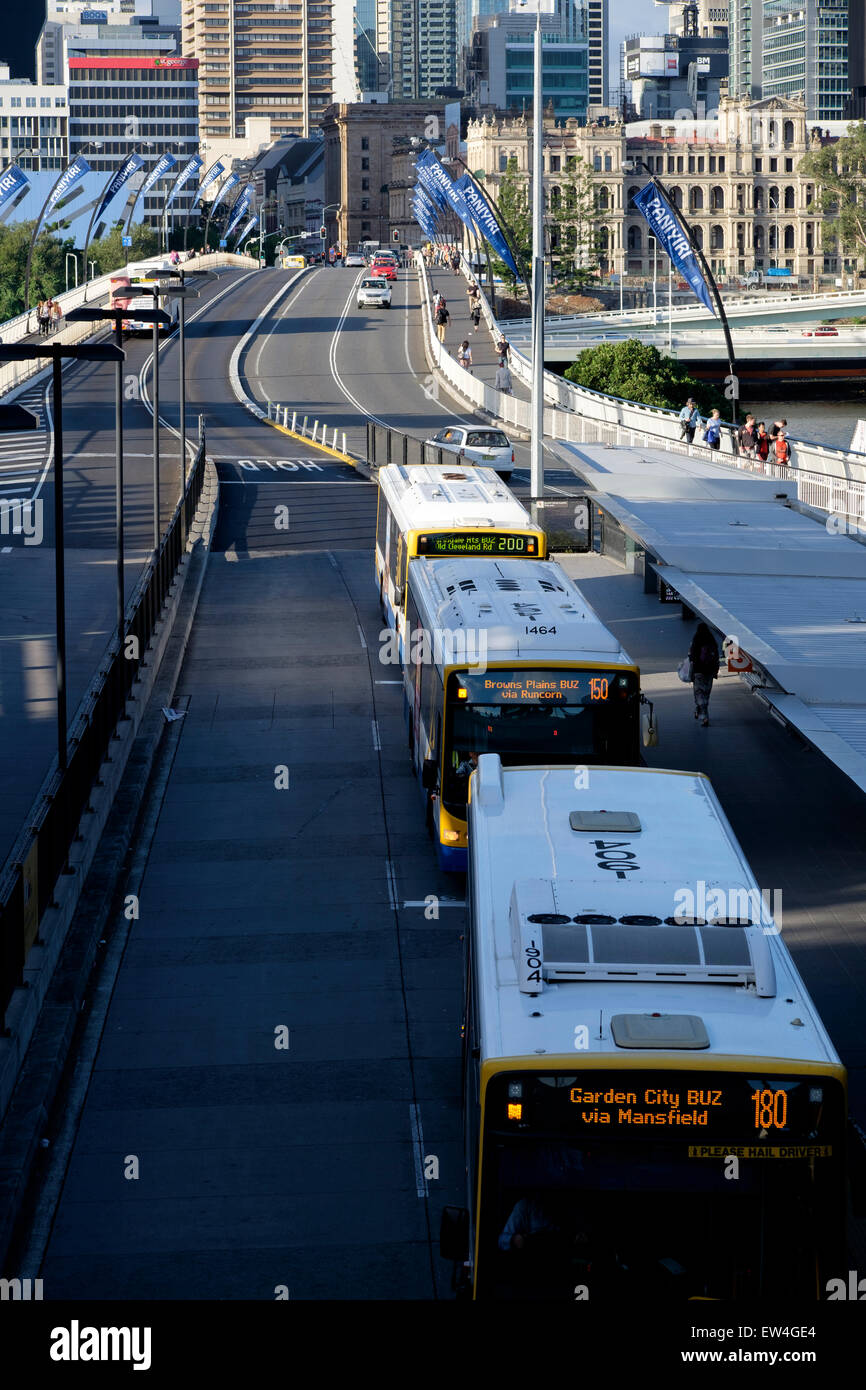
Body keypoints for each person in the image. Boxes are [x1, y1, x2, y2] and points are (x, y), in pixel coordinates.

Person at [688, 622, 720, 727]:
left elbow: (691, 657)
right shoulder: (711, 641)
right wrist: (715, 671)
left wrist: (691, 671)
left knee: (699, 693)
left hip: (698, 671)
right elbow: (716, 657)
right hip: (710, 672)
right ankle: (701, 711)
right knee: (706, 694)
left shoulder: (696, 640)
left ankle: (704, 716)